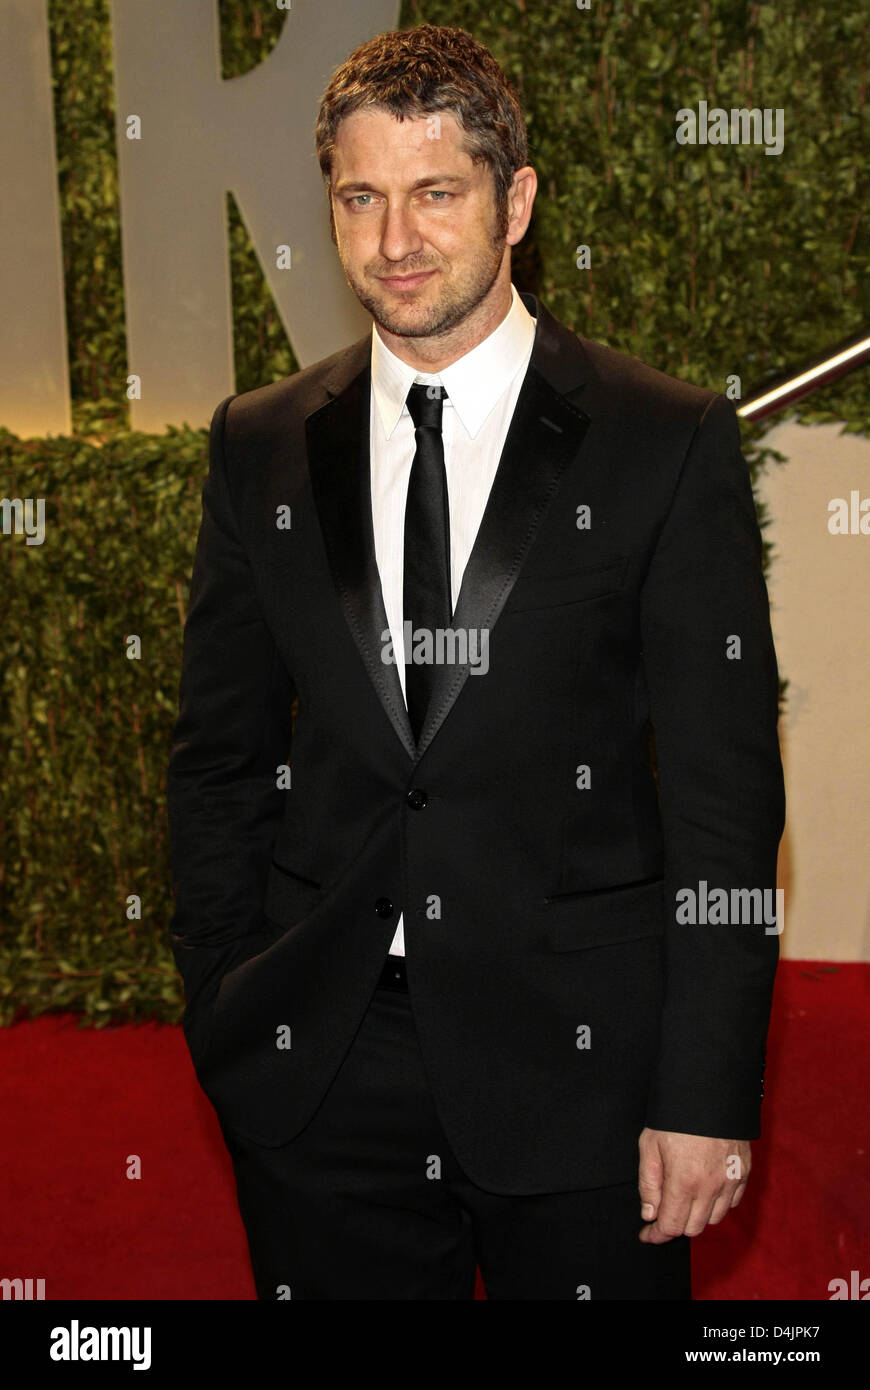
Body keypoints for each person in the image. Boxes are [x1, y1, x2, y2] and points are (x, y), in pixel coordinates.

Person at [166, 23, 785, 1300]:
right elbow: (220, 757)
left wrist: (704, 1087)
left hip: (584, 1065)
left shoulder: (661, 440)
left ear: (516, 201)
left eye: (436, 193)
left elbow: (727, 798)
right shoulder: (260, 444)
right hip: (320, 1061)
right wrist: (225, 998)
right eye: (361, 198)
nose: (395, 242)